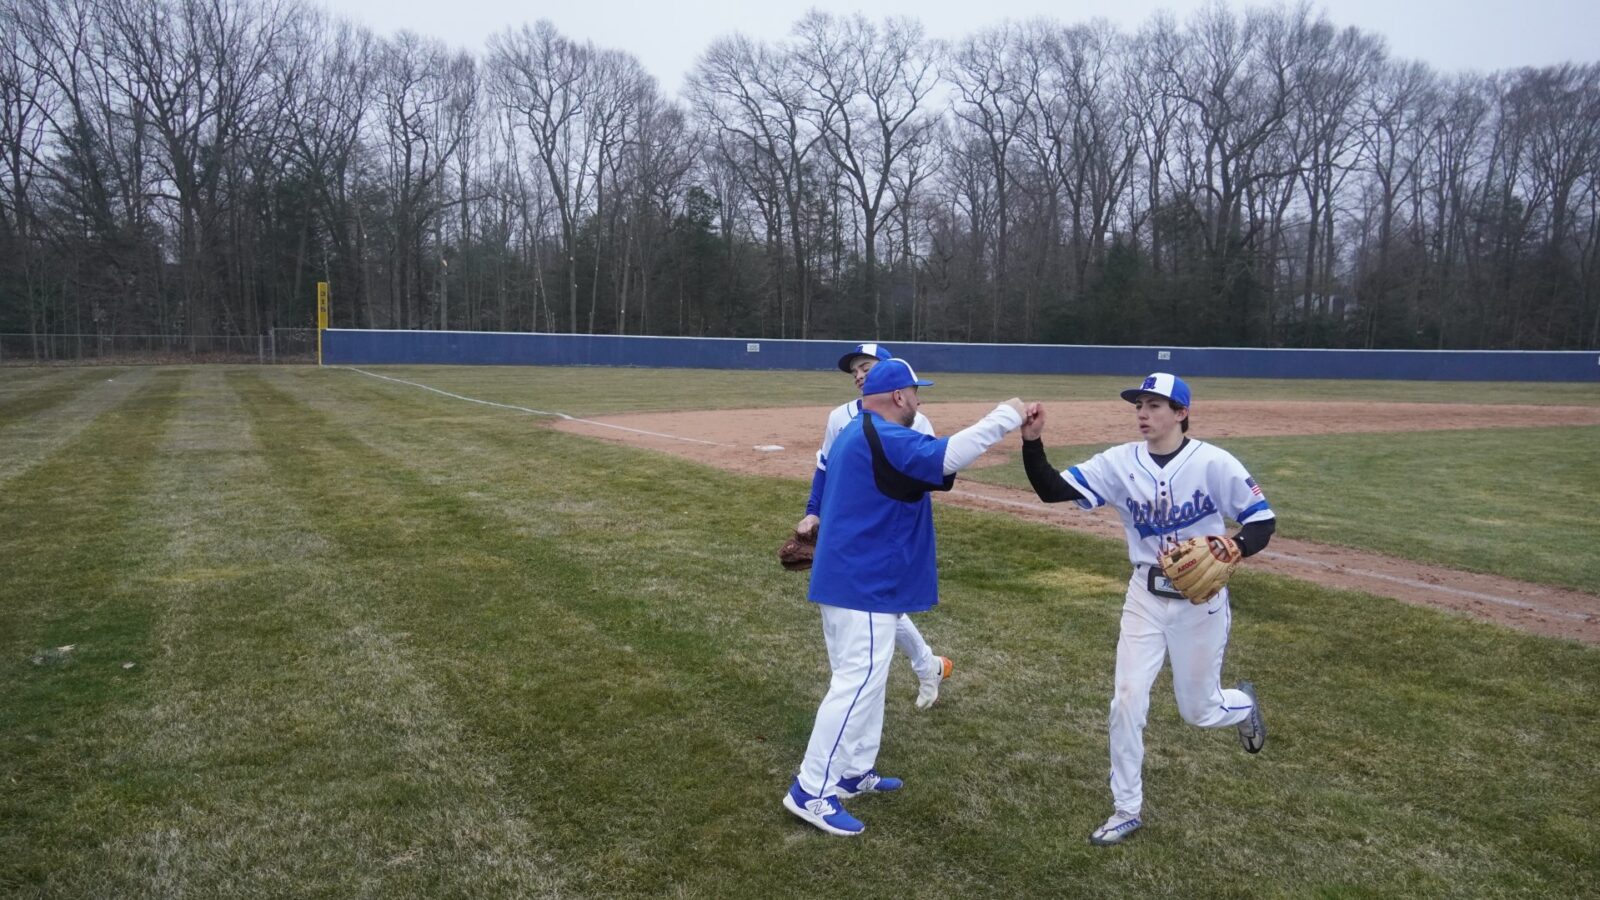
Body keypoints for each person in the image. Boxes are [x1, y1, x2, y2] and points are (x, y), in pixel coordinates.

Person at [1018, 373, 1276, 847]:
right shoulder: (1120, 462)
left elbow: (1261, 520)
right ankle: (1126, 808)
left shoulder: (1214, 462)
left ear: (1181, 413)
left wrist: (1234, 547)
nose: (1143, 413)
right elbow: (1053, 489)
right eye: (1139, 404)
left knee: (1199, 711)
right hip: (1144, 596)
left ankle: (1242, 707)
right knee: (1126, 700)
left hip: (1201, 603)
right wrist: (1032, 443)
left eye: (1155, 405)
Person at [784, 359, 1025, 836]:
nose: (919, 399)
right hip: (864, 584)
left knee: (865, 685)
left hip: (854, 579)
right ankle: (811, 790)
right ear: (898, 396)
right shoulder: (883, 435)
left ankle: (853, 771)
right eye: (915, 392)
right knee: (855, 686)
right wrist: (1007, 415)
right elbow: (948, 456)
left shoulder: (860, 430)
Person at [796, 343, 953, 710]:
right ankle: (925, 667)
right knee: (870, 608)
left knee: (880, 608)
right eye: (855, 371)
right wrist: (813, 511)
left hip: (888, 525)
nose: (859, 375)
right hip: (847, 523)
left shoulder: (914, 418)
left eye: (866, 367)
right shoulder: (839, 416)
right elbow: (825, 466)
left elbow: (925, 473)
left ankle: (919, 668)